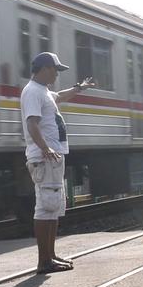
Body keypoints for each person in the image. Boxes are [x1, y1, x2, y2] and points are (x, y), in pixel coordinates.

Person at [21, 51, 95, 275]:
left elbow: (60, 96)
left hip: (52, 157)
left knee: (52, 207)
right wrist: (45, 148)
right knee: (45, 208)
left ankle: (50, 256)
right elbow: (32, 124)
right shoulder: (32, 91)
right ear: (44, 69)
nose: (57, 74)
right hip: (44, 157)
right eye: (55, 70)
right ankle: (43, 261)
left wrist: (80, 87)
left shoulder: (42, 91)